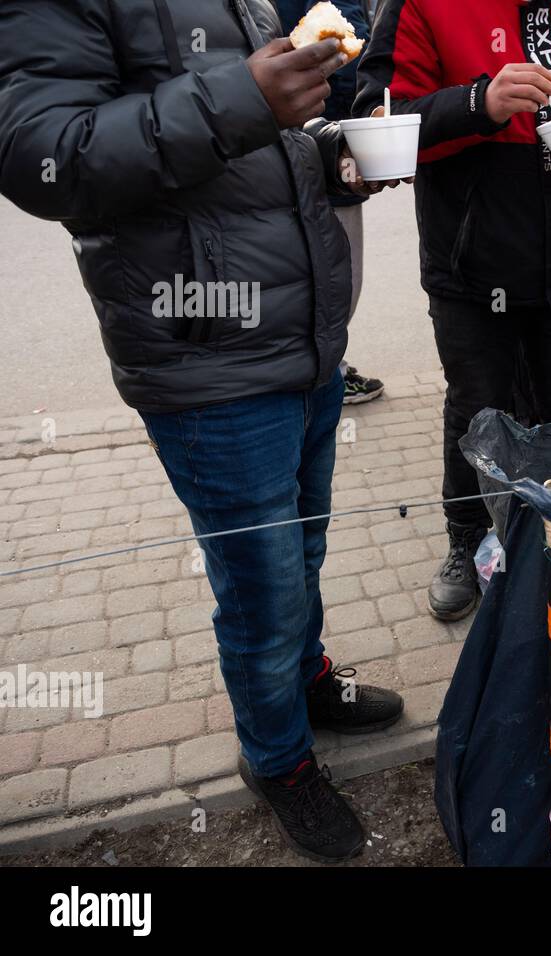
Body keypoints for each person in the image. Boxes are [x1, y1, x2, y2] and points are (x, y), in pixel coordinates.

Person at [0, 0, 408, 863]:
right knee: (261, 592)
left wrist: (332, 156)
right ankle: (277, 759)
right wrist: (246, 100)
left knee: (299, 554)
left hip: (304, 343)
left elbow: (252, 150)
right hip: (207, 364)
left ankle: (305, 685)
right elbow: (42, 155)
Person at [356, 0, 551, 621]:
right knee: (476, 405)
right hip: (472, 258)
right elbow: (378, 117)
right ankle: (465, 539)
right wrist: (477, 104)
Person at [276, 0, 385, 404]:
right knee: (340, 273)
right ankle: (329, 372)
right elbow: (348, 53)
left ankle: (317, 369)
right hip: (327, 144)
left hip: (291, 141)